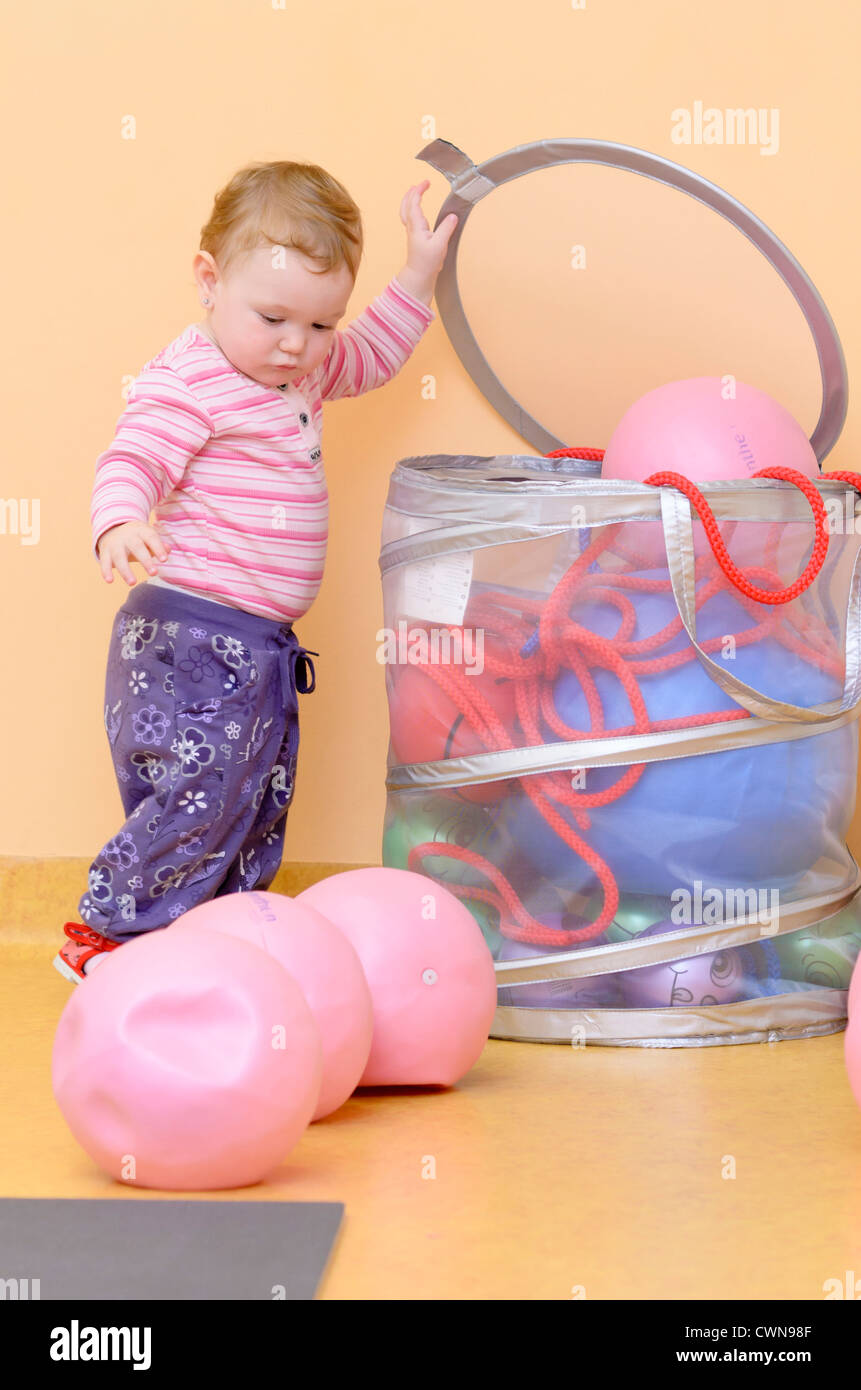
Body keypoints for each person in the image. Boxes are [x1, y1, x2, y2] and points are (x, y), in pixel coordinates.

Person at [54, 159, 457, 984]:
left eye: (319, 325)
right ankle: (110, 935)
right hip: (189, 637)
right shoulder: (190, 377)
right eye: (273, 316)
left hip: (261, 647)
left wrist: (416, 274)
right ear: (209, 280)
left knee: (254, 800)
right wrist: (121, 520)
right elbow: (133, 454)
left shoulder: (301, 370)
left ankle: (218, 943)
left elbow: (374, 353)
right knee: (198, 790)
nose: (294, 344)